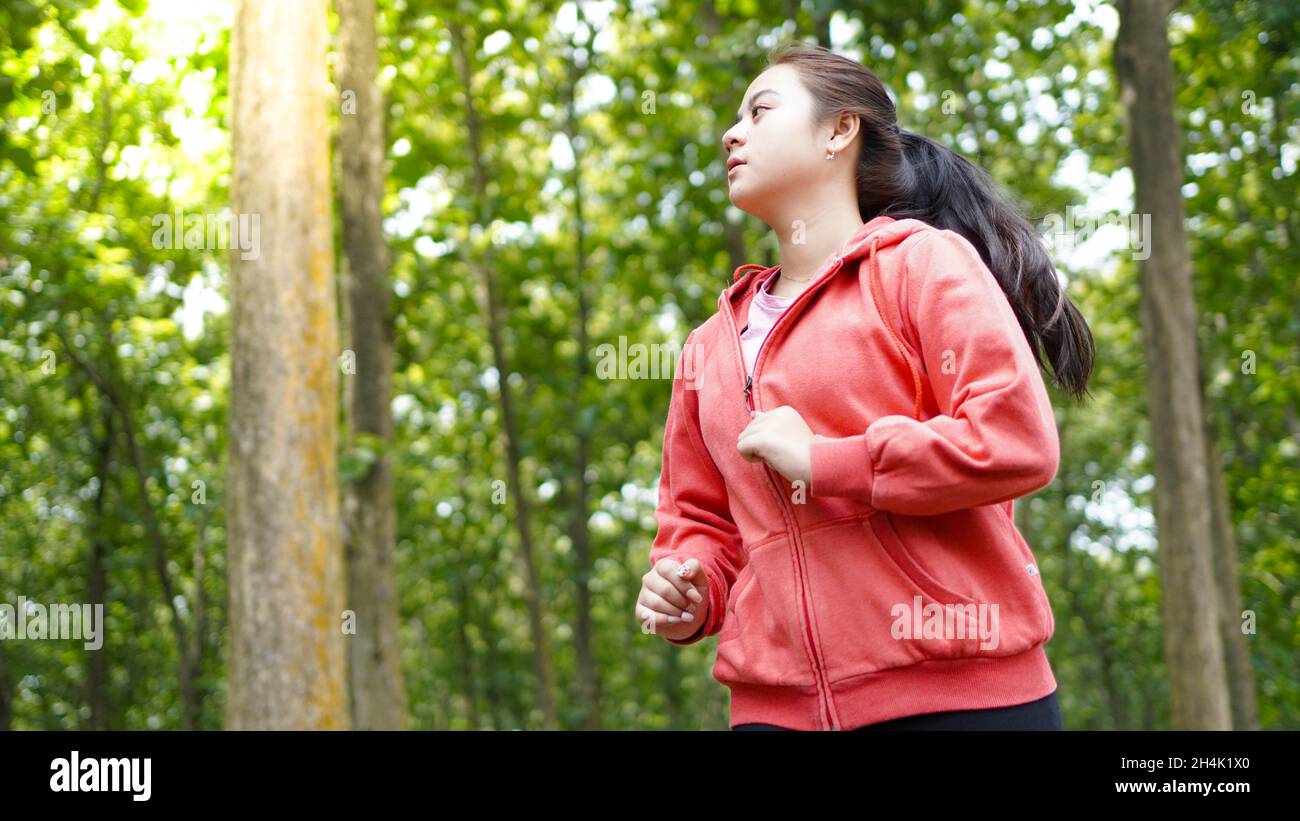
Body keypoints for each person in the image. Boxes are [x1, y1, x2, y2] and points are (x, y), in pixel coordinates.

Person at [635, 41, 1093, 731]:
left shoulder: (921, 265)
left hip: (964, 699)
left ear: (839, 131)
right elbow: (698, 526)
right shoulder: (708, 348)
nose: (732, 133)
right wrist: (688, 587)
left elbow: (1016, 438)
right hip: (772, 713)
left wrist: (829, 460)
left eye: (760, 111)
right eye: (735, 119)